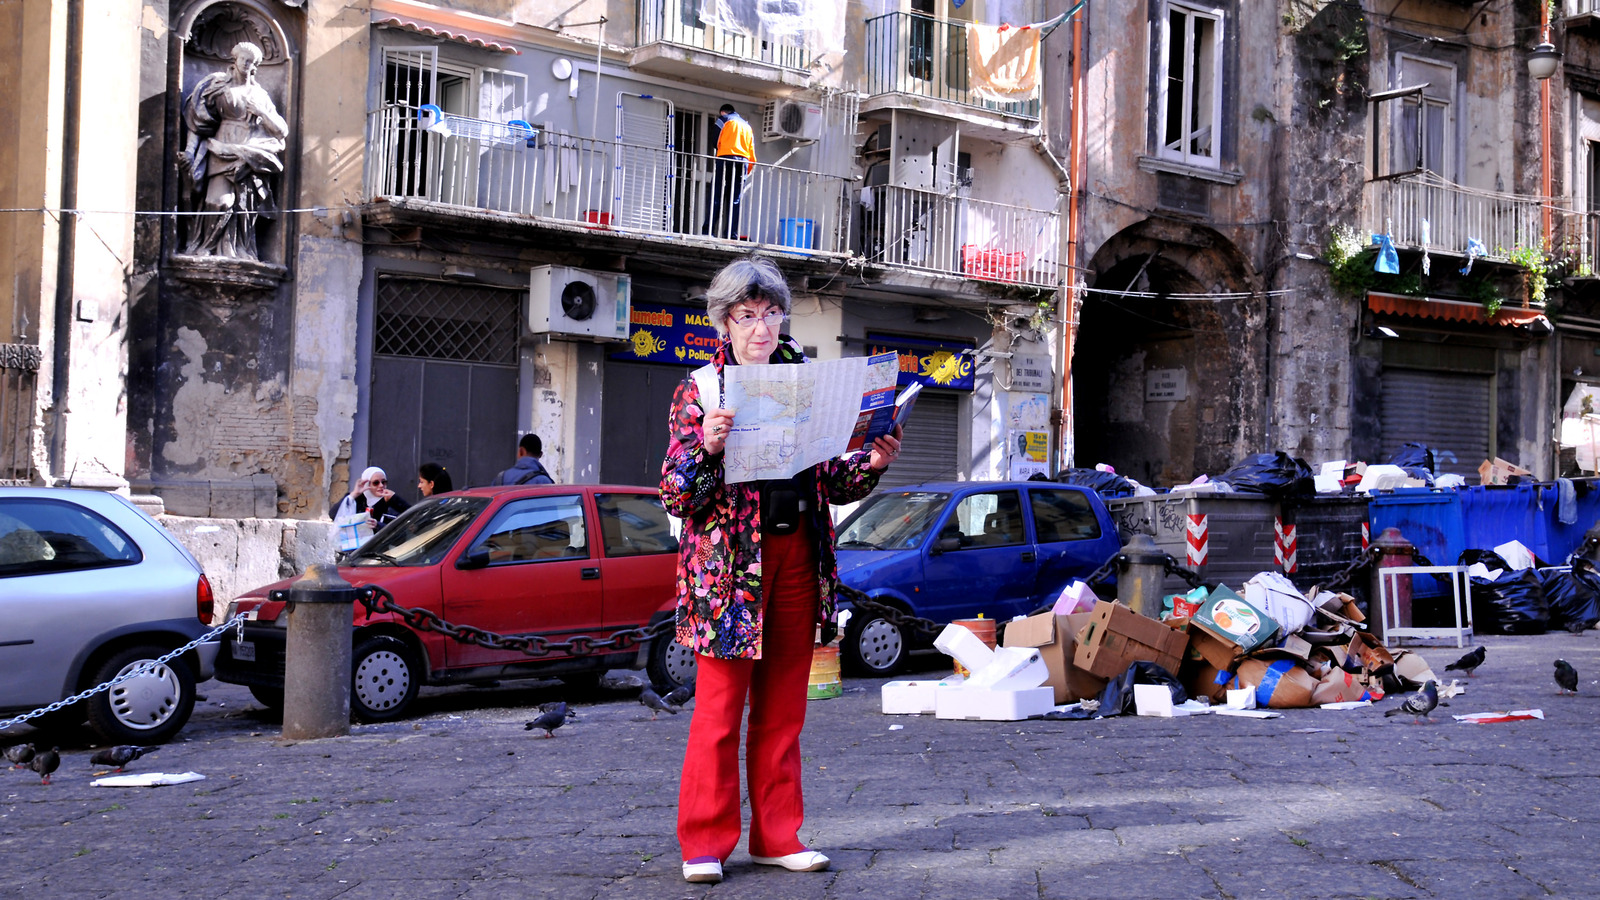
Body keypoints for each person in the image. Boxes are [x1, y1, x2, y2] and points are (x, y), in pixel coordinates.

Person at [660, 256, 903, 885]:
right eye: (748, 316)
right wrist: (710, 448)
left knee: (784, 708)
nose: (762, 328)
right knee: (719, 709)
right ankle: (705, 842)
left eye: (771, 314)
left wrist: (872, 461)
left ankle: (776, 835)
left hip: (797, 555)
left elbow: (833, 479)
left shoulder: (808, 383)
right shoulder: (701, 391)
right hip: (727, 570)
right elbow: (676, 494)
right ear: (725, 323)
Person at [180, 41, 289, 260]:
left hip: (248, 154)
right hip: (221, 148)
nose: (248, 65)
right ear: (235, 60)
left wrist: (262, 113)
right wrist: (190, 152)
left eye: (253, 62)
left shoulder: (260, 95)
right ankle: (205, 245)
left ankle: (240, 249)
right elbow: (198, 122)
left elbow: (281, 131)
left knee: (243, 206)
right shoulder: (218, 86)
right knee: (220, 202)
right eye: (245, 60)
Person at [703, 104, 755, 240]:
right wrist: (747, 172)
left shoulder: (724, 119)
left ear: (722, 112)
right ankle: (731, 234)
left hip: (725, 158)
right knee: (735, 199)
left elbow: (715, 141)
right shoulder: (747, 126)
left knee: (716, 195)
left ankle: (709, 231)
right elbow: (752, 154)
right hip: (742, 162)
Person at [330, 466, 410, 530]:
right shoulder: (357, 499)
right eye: (376, 483)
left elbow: (400, 528)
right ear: (367, 484)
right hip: (356, 548)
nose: (381, 485)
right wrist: (354, 494)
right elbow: (333, 515)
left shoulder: (389, 500)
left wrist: (378, 525)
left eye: (384, 482)